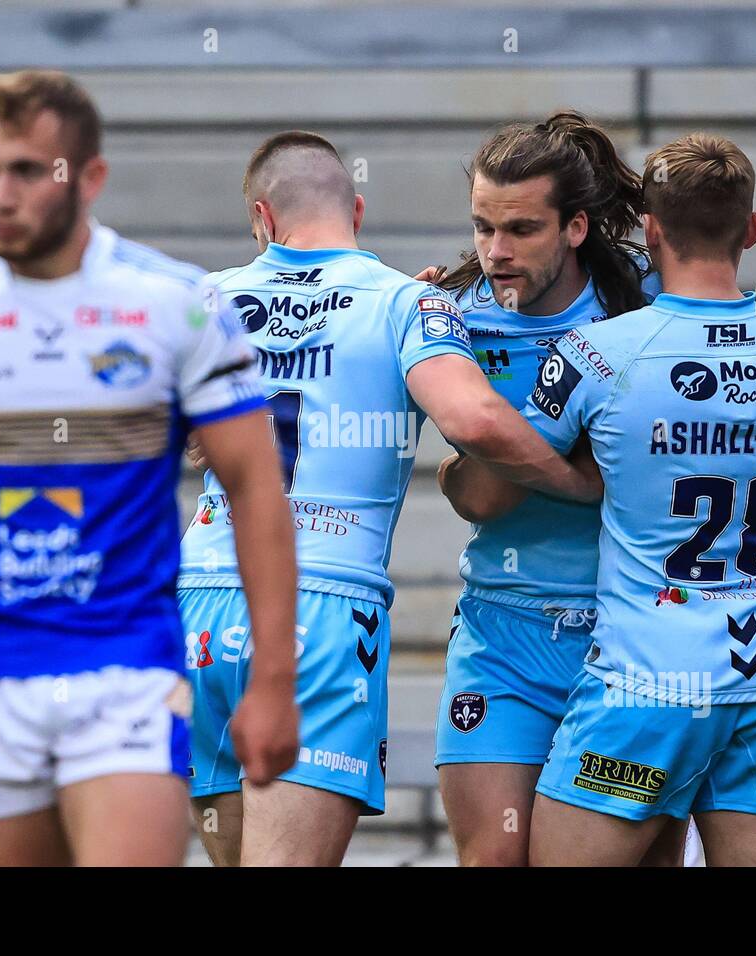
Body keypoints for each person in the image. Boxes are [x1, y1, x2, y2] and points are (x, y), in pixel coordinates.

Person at [0, 70, 298, 866]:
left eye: (26, 171)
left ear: (90, 177)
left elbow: (255, 487)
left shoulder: (176, 305)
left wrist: (274, 679)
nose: (0, 194)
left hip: (128, 670)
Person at [436, 126, 756, 866]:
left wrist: (520, 465)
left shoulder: (616, 331)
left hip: (636, 663)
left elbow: (482, 493)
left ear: (594, 228)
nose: (496, 249)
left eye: (520, 227)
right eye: (484, 227)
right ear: (751, 230)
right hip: (715, 661)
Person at [178, 131, 602, 866]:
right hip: (319, 604)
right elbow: (473, 422)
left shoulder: (206, 298)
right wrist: (574, 483)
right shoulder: (407, 303)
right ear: (358, 211)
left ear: (262, 219)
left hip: (196, 600)